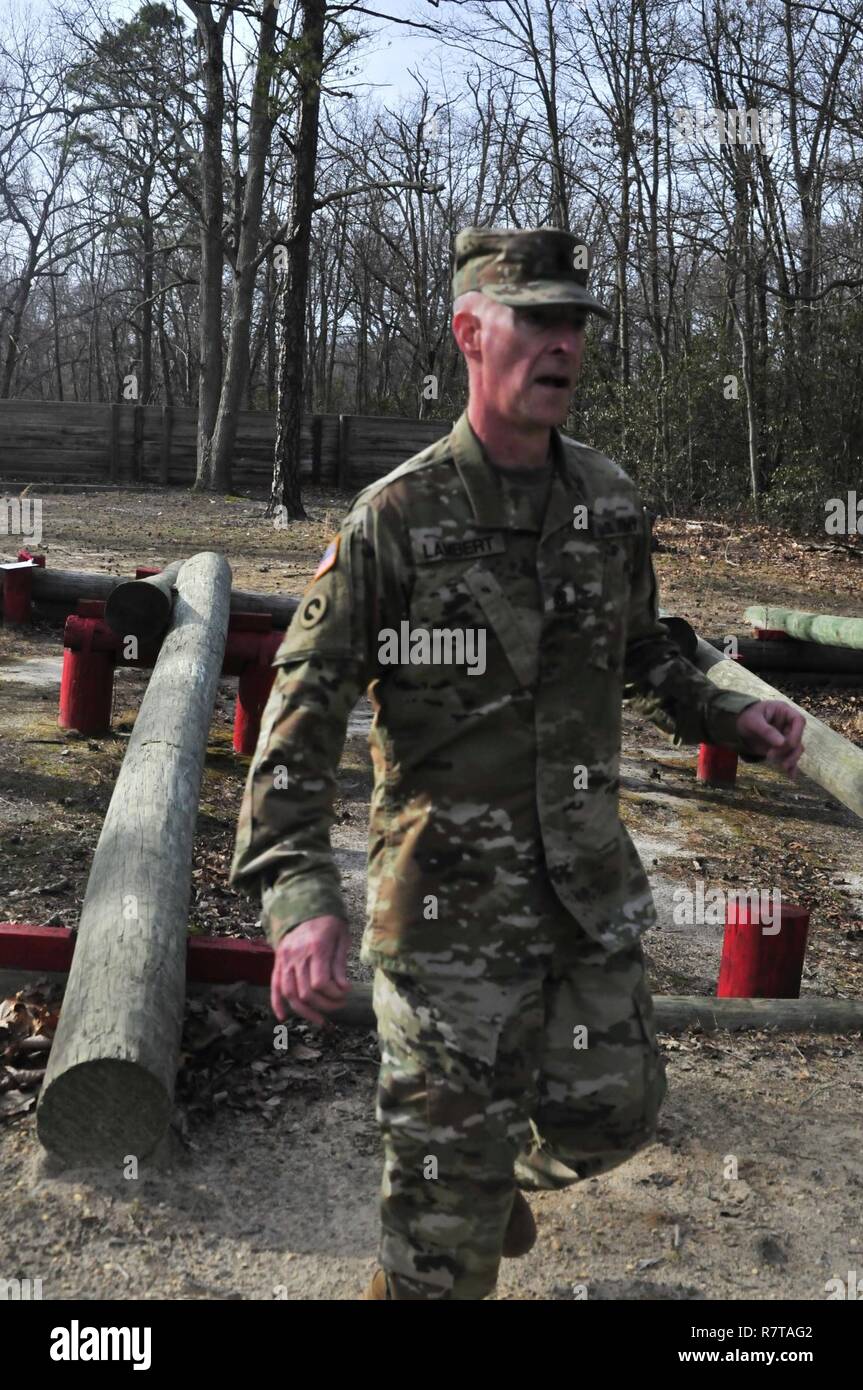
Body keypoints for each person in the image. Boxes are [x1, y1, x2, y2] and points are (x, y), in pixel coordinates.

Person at [229, 226, 805, 1301]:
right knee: (437, 1258)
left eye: (573, 322)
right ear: (468, 332)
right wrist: (301, 899)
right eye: (534, 319)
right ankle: (450, 1219)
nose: (561, 344)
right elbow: (299, 711)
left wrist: (729, 715)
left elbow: (649, 646)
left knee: (616, 1112)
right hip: (445, 913)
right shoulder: (395, 519)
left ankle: (487, 1186)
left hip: (582, 893)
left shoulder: (606, 500)